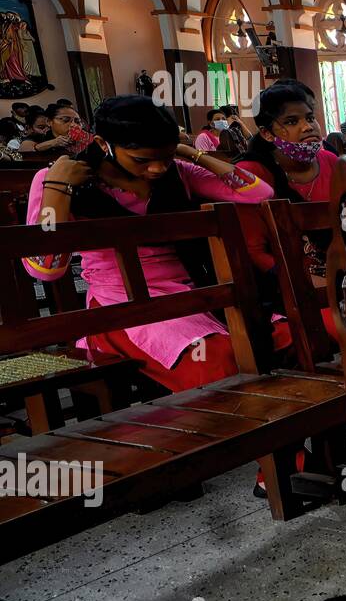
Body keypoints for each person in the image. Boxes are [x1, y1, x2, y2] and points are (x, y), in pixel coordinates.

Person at [22, 95, 286, 391]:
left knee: (281, 338)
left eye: (165, 156)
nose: (158, 169)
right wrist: (58, 187)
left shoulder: (177, 172)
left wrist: (191, 153)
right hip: (121, 306)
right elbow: (45, 269)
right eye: (142, 160)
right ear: (102, 144)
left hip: (193, 292)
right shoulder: (58, 180)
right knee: (219, 359)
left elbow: (258, 192)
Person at [235, 80, 339, 280]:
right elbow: (255, 251)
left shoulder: (331, 162)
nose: (307, 127)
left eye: (310, 118)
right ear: (266, 133)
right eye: (292, 121)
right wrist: (300, 283)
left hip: (342, 274)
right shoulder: (251, 174)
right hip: (286, 281)